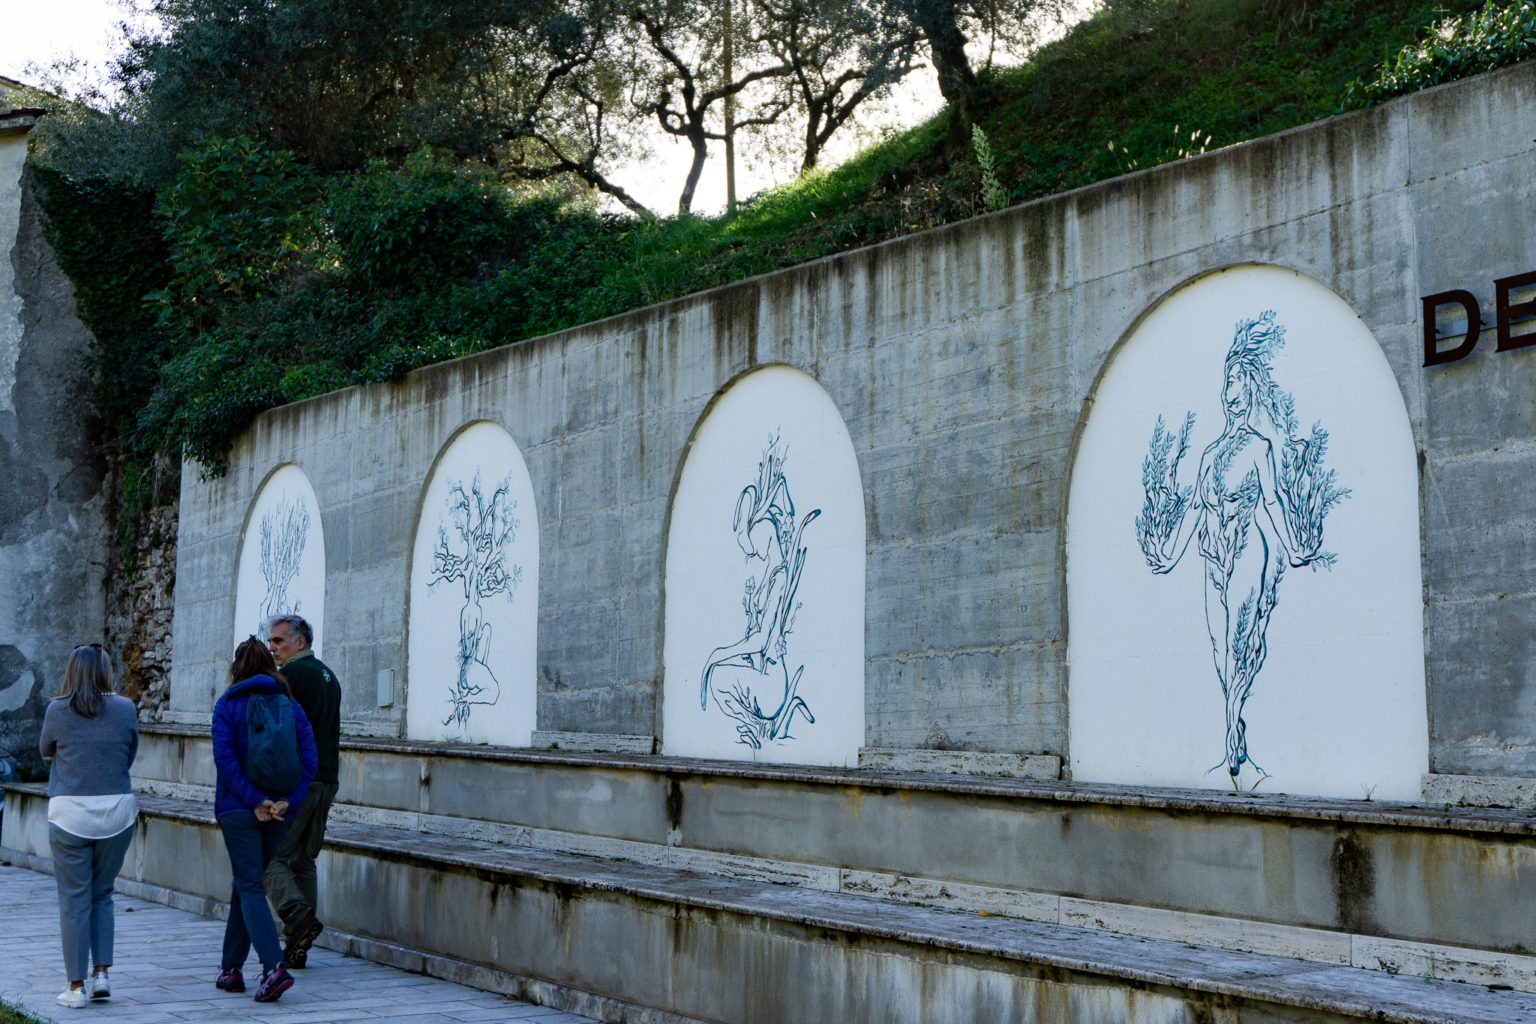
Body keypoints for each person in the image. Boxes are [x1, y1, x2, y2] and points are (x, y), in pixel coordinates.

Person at [1138, 311, 1347, 785]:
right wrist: (1170, 552)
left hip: (1250, 551)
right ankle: (1237, 733)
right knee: (1220, 649)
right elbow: (1194, 508)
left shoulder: (1259, 448)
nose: (1231, 390)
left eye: (1238, 382)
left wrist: (1294, 544)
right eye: (1226, 382)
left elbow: (1272, 501)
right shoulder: (1211, 453)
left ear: (1250, 390)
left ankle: (1231, 739)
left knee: (1239, 642)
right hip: (1212, 558)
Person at [212, 636, 317, 1002]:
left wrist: (256, 801)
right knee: (246, 883)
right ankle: (230, 970)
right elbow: (309, 759)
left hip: (238, 809)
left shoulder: (227, 704)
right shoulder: (289, 704)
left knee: (250, 884)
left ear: (236, 668)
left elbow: (225, 761)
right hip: (278, 813)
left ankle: (273, 968)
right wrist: (287, 802)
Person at [38, 644, 139, 1009]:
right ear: (105, 671)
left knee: (74, 900)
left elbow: (46, 752)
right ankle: (101, 975)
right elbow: (129, 754)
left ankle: (76, 987)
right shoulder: (126, 708)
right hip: (116, 811)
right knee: (103, 894)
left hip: (70, 814)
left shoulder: (57, 709)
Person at [263, 614, 340, 969]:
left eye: (278, 641)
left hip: (301, 783)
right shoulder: (328, 676)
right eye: (271, 641)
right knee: (304, 860)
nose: (272, 647)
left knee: (272, 858)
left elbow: (281, 735)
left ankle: (298, 921)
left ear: (300, 642)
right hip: (326, 779)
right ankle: (298, 946)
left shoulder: (291, 677)